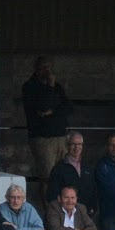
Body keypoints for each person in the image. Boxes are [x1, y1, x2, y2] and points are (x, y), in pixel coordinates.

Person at [22, 57, 72, 204]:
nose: (48, 71)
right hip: (43, 139)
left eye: (49, 67)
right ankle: (48, 209)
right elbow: (42, 107)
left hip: (60, 137)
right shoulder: (30, 86)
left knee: (62, 175)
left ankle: (62, 210)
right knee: (47, 177)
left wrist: (53, 111)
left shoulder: (57, 86)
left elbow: (69, 107)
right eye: (44, 67)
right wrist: (49, 87)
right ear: (37, 69)